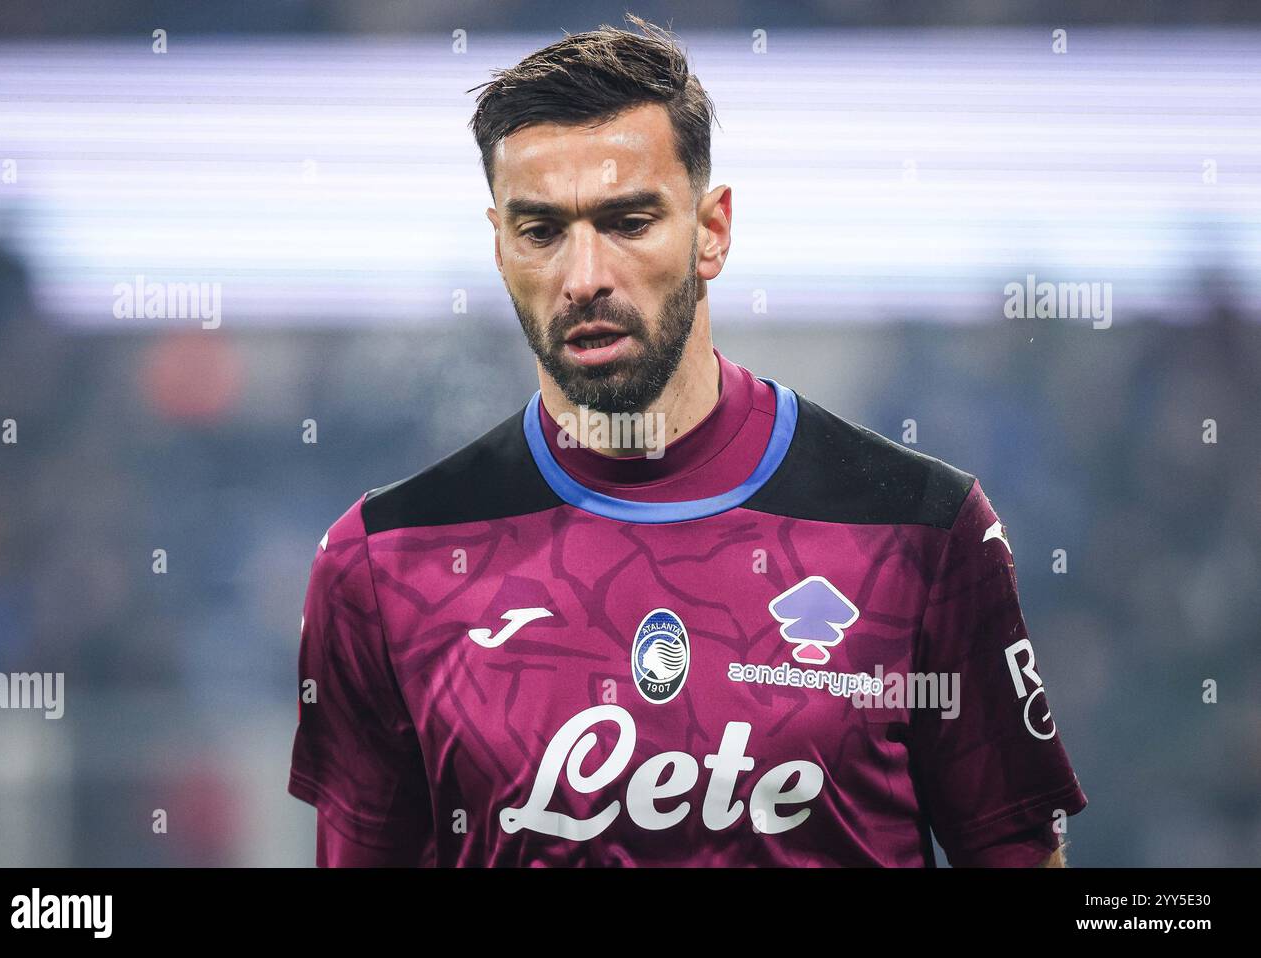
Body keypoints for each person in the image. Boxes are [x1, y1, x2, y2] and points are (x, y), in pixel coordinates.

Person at [288, 14, 1086, 867]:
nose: (584, 277)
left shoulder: (923, 531)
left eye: (628, 221)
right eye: (541, 230)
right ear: (498, 245)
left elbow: (1014, 852)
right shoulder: (382, 564)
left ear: (712, 231)